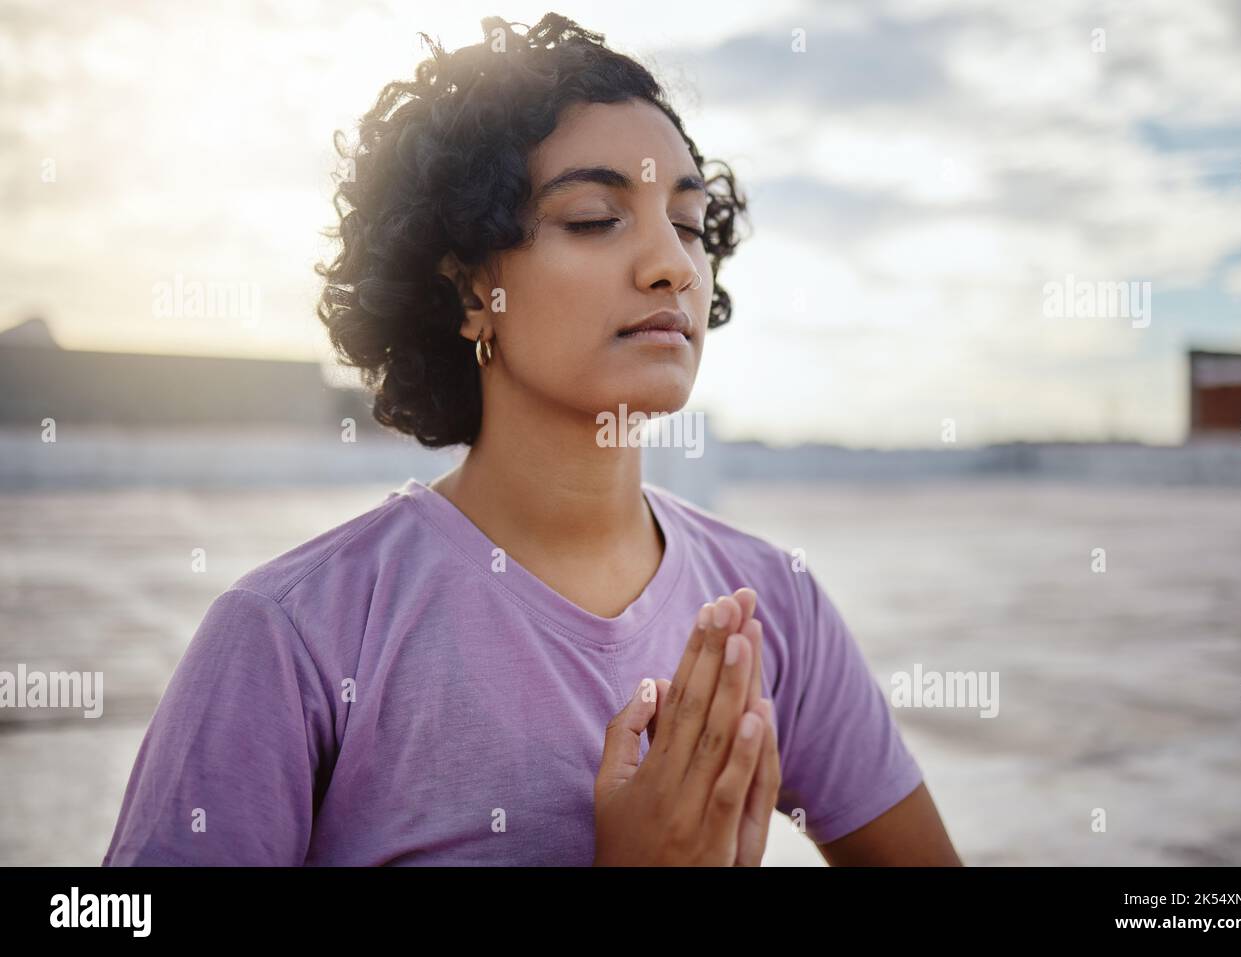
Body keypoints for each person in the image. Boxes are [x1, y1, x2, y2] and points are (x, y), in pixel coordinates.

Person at [103, 12, 960, 866]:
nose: (673, 264)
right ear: (474, 291)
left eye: (692, 226)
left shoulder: (775, 607)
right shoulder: (294, 637)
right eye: (594, 218)